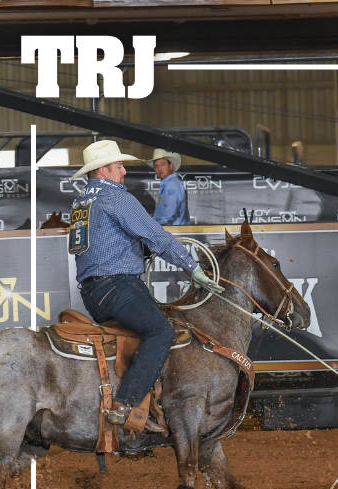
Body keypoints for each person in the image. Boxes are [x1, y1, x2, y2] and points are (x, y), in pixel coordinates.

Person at [69, 141, 224, 426]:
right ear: (103, 170)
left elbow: (106, 241)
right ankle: (125, 404)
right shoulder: (116, 198)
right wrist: (192, 268)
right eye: (119, 166)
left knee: (135, 336)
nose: (124, 171)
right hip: (118, 286)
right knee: (161, 331)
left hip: (93, 292)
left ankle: (145, 404)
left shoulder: (81, 202)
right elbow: (157, 236)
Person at [150, 148, 191, 226]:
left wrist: (160, 227)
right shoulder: (170, 183)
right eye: (156, 166)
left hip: (171, 230)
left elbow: (170, 210)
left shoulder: (171, 184)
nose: (159, 169)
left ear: (171, 166)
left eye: (163, 164)